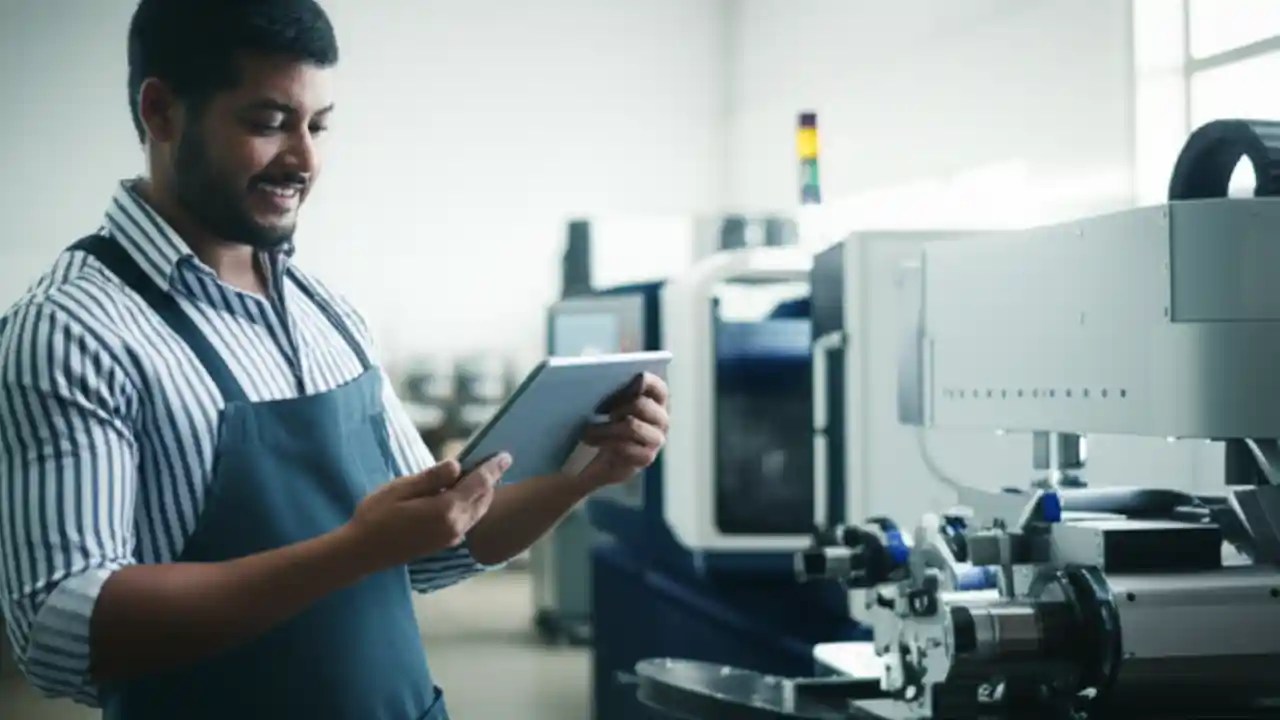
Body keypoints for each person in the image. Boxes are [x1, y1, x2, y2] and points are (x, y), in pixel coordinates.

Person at [0, 1, 669, 718]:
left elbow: (438, 542)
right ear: (161, 112)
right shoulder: (70, 330)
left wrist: (583, 478)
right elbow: (64, 628)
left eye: (318, 125)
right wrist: (353, 550)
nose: (305, 159)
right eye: (267, 123)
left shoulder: (328, 313)